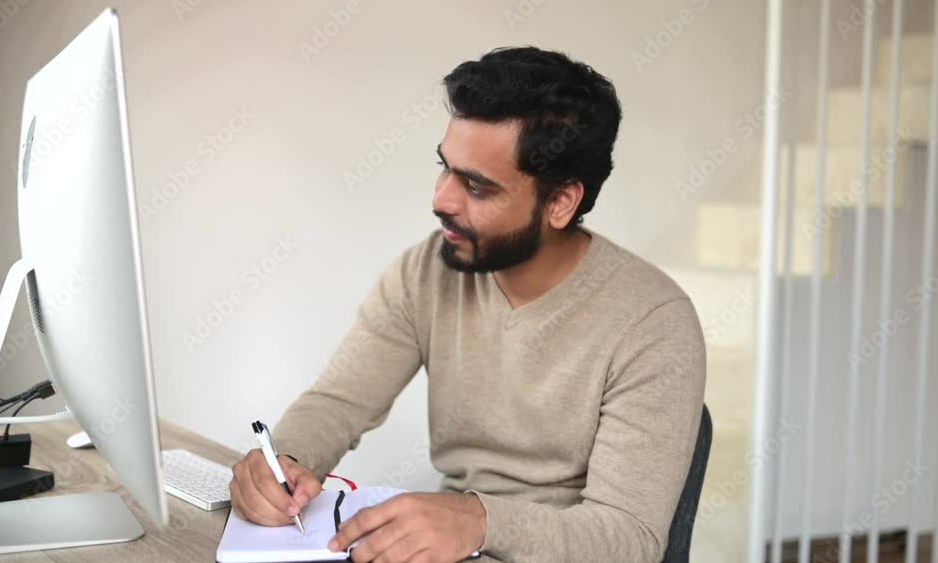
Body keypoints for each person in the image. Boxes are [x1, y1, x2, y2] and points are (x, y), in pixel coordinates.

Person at [228, 46, 706, 563]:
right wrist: (287, 461)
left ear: (561, 202)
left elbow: (629, 538)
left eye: (476, 186)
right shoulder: (425, 272)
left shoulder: (653, 323)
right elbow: (339, 402)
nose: (442, 200)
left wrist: (479, 520)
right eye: (446, 168)